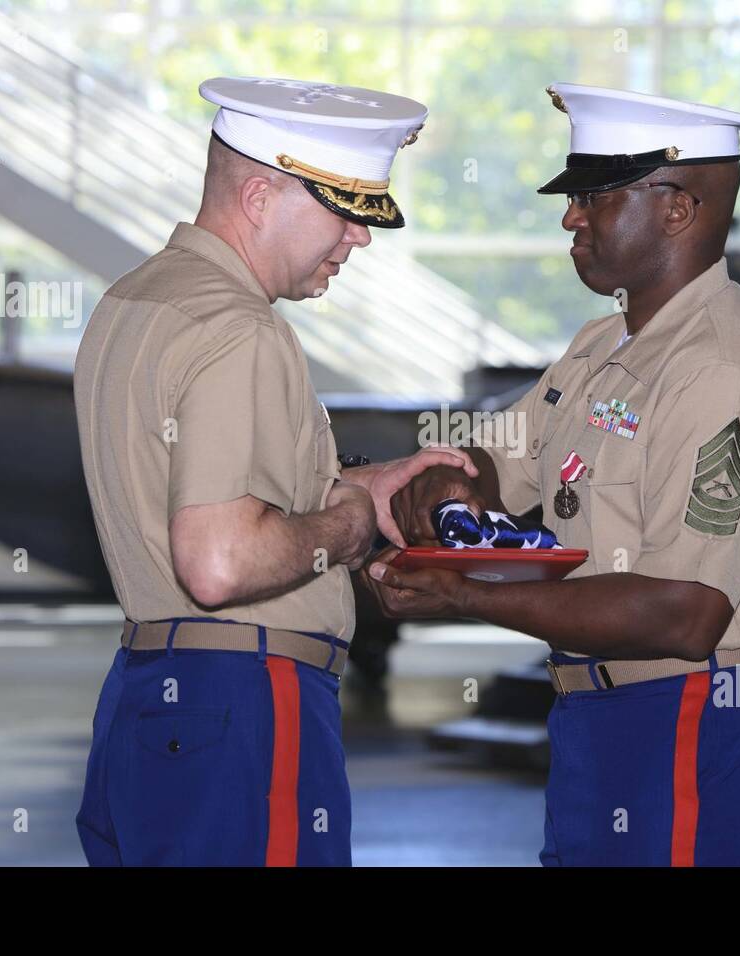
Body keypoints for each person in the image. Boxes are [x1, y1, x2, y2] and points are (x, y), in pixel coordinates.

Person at [371, 82, 740, 866]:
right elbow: (494, 462)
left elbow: (683, 612)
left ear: (677, 208)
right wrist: (451, 480)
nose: (570, 217)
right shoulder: (603, 347)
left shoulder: (723, 375)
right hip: (607, 715)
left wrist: (464, 594)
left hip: (695, 710)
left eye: (593, 197)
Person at [73, 75, 475, 866]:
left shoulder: (136, 302)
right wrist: (352, 524)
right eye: (343, 210)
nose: (358, 238)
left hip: (148, 696)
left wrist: (357, 484)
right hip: (245, 707)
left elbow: (196, 488)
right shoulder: (239, 331)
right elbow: (220, 561)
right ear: (259, 197)